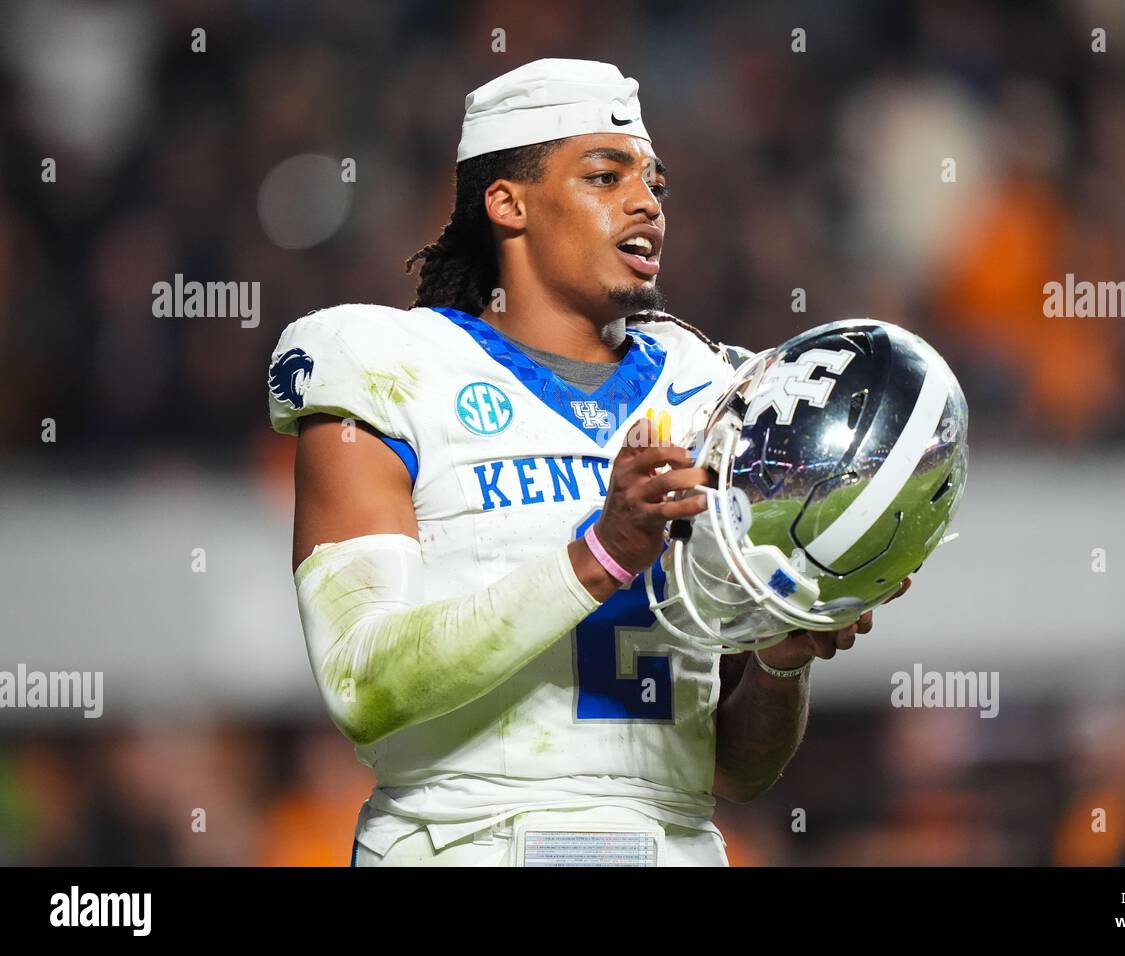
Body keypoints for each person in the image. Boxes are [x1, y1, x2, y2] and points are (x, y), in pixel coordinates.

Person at [267, 59, 889, 867]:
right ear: (507, 202)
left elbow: (737, 769)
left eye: (656, 185)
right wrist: (600, 554)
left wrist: (780, 655)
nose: (646, 203)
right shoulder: (390, 366)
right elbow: (363, 683)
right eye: (605, 175)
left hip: (675, 844)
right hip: (463, 840)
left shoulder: (715, 394)